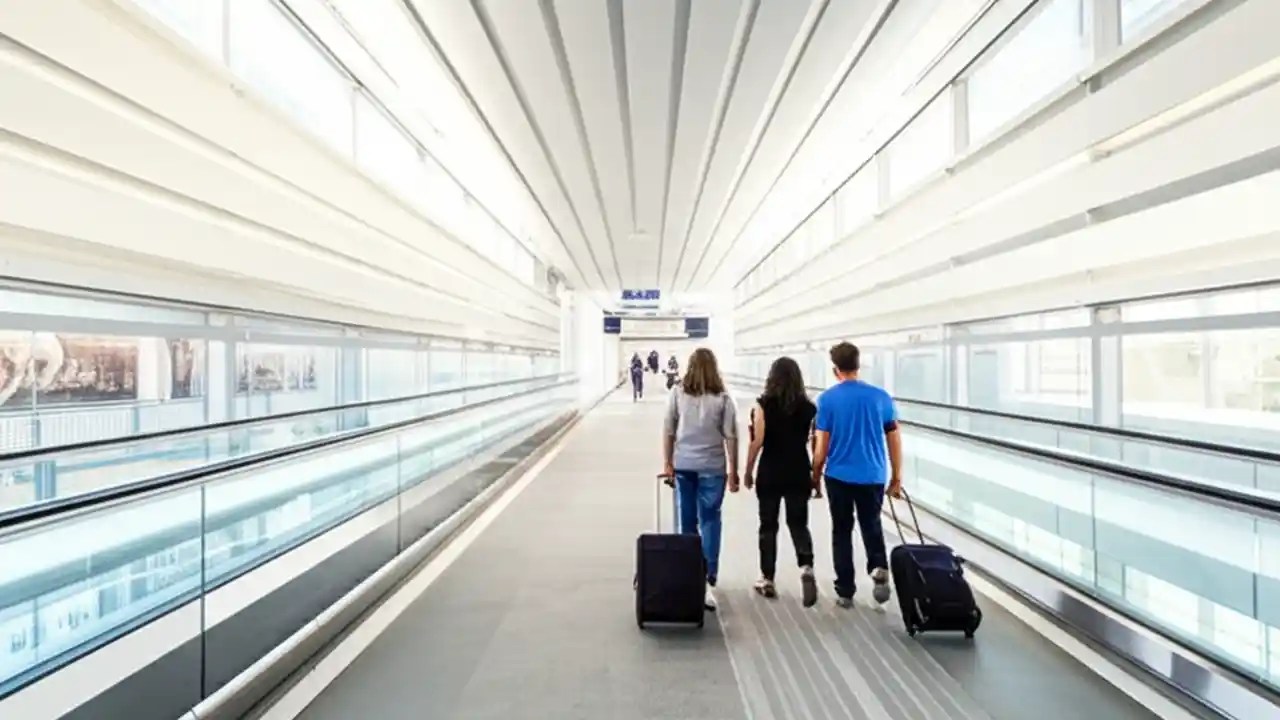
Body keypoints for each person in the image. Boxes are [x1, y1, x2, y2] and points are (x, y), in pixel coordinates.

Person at [811, 342, 903, 609]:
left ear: (835, 369)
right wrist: (897, 477)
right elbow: (894, 439)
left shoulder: (827, 400)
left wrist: (815, 475)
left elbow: (821, 446)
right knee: (871, 524)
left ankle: (845, 591)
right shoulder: (881, 397)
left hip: (839, 474)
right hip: (873, 474)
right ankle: (878, 566)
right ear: (858, 364)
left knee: (842, 530)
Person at [663, 348, 739, 611]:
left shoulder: (678, 393)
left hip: (684, 465)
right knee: (710, 519)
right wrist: (734, 471)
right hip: (713, 468)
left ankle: (687, 574)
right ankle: (709, 575)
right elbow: (731, 435)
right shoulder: (723, 398)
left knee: (687, 521)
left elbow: (668, 429)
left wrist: (667, 463)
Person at [743, 357, 819, 607]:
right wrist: (816, 476)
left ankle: (767, 578)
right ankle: (806, 565)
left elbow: (758, 441)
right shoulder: (809, 408)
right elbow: (815, 442)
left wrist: (747, 470)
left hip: (771, 470)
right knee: (798, 523)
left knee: (768, 525)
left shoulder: (764, 404)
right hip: (798, 469)